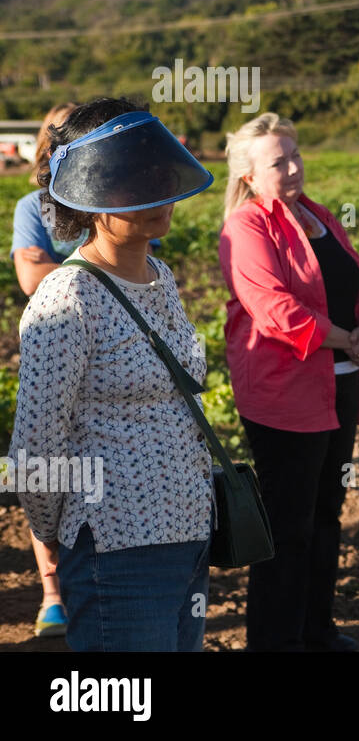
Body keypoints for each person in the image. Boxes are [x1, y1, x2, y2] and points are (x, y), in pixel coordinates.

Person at [11, 98, 215, 651]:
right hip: (115, 548)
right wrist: (62, 532)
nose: (155, 192)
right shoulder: (67, 296)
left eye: (154, 171)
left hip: (188, 535)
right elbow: (34, 448)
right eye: (129, 180)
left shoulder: (160, 275)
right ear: (87, 194)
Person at [219, 113, 359, 652]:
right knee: (287, 527)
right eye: (278, 162)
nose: (293, 168)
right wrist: (345, 337)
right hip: (285, 396)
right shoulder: (246, 226)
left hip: (338, 387)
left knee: (326, 516)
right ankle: (274, 641)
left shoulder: (317, 216)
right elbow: (274, 308)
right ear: (248, 174)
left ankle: (317, 631)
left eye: (295, 156)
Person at [9, 102, 77, 637]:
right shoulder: (34, 206)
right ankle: (52, 591)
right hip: (50, 343)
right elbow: (31, 279)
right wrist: (95, 265)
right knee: (46, 465)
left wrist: (56, 265)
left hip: (106, 353)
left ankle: (84, 582)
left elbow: (142, 267)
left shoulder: (118, 203)